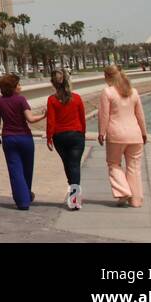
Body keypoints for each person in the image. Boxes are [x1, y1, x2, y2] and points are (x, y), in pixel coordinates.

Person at [0, 73, 45, 210]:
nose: (20, 87)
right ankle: (25, 196)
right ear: (13, 87)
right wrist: (45, 115)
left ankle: (23, 199)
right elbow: (30, 119)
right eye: (18, 85)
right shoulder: (21, 100)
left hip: (9, 138)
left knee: (15, 170)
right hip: (25, 138)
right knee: (27, 169)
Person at [98, 65, 148, 207]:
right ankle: (136, 200)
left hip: (116, 134)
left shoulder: (107, 92)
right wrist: (144, 133)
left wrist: (101, 132)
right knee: (134, 167)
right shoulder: (133, 92)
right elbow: (140, 115)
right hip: (135, 134)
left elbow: (104, 115)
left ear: (107, 77)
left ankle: (123, 191)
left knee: (114, 163)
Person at [45, 69, 87, 210]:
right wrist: (83, 134)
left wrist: (49, 138)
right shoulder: (77, 98)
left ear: (53, 83)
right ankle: (75, 198)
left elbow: (51, 121)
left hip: (59, 137)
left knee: (67, 165)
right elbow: (82, 118)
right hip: (76, 134)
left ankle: (73, 193)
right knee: (75, 165)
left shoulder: (52, 100)